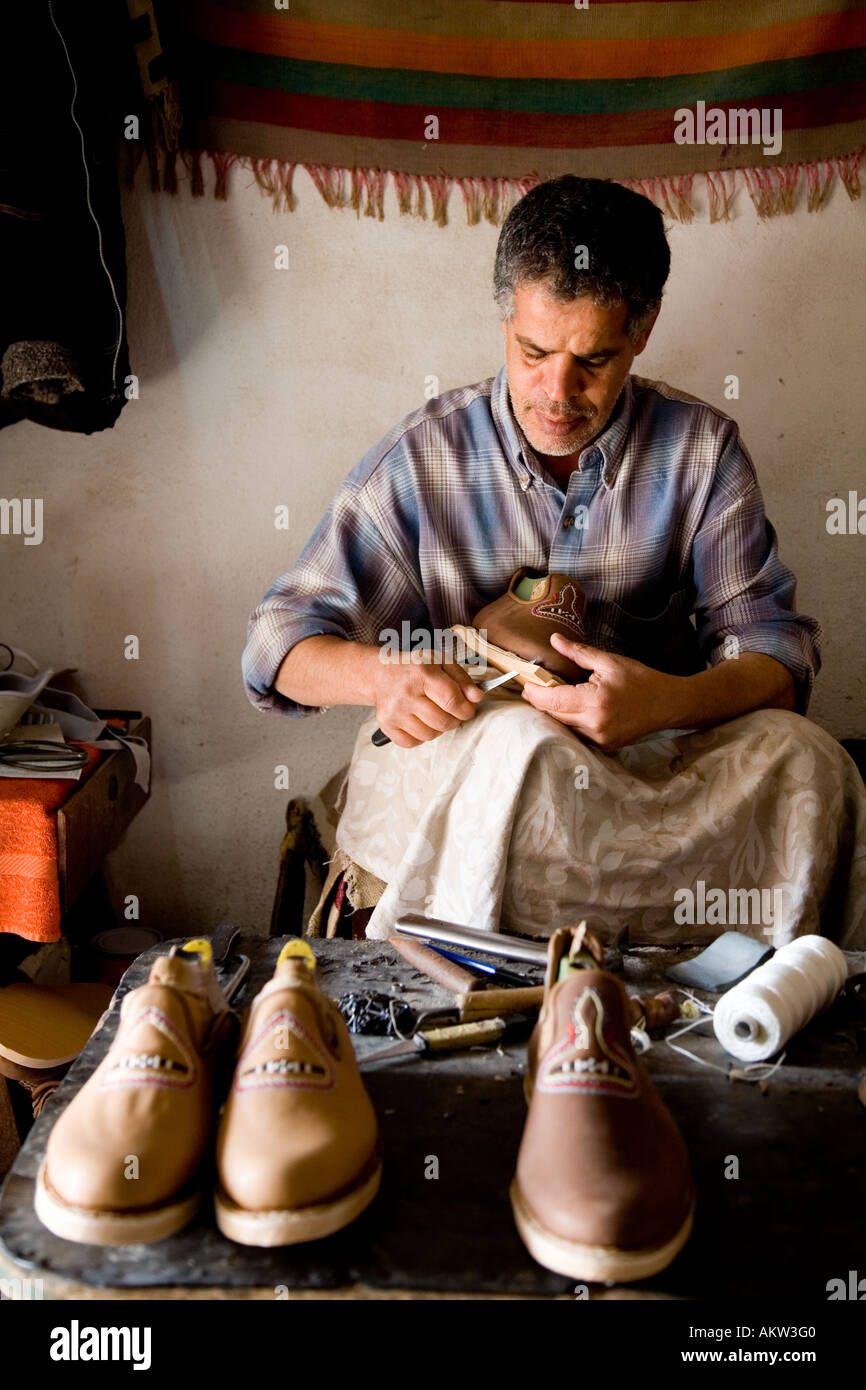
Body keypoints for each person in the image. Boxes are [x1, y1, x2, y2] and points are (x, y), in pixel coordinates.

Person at [243, 176, 866, 950]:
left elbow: (775, 654)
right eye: (533, 352)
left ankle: (763, 1010)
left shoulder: (699, 452)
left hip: (651, 765)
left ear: (643, 329)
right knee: (523, 749)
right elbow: (275, 645)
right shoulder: (424, 459)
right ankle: (496, 990)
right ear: (505, 317)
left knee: (815, 762)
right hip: (485, 756)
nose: (557, 393)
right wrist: (382, 677)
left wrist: (667, 701)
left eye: (594, 361)